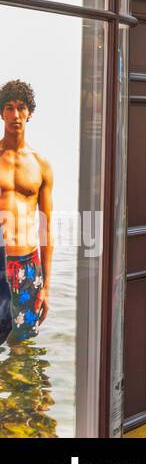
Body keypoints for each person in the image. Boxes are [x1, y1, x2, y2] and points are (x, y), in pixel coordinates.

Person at [0, 80, 53, 342]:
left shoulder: (40, 165)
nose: (15, 115)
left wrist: (46, 287)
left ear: (29, 113)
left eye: (21, 107)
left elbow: (47, 230)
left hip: (28, 269)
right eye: (8, 108)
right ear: (1, 113)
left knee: (22, 348)